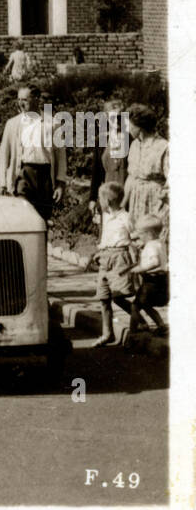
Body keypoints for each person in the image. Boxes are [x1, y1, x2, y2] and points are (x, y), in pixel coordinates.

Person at [0, 85, 66, 222]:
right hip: (23, 173)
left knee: (43, 218)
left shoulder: (53, 124)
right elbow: (4, 155)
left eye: (25, 99)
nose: (21, 103)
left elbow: (61, 157)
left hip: (45, 175)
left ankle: (42, 243)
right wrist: (2, 183)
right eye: (19, 99)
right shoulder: (12, 124)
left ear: (36, 99)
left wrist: (60, 184)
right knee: (23, 215)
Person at [90, 182, 134, 347]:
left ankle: (140, 322)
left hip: (119, 258)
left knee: (119, 296)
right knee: (104, 298)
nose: (99, 202)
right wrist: (99, 252)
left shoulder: (126, 217)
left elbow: (134, 236)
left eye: (101, 199)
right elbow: (105, 238)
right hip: (105, 258)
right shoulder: (106, 217)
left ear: (107, 201)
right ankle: (107, 333)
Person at [123, 104, 168, 240]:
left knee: (154, 240)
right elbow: (131, 176)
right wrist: (122, 205)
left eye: (130, 125)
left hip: (156, 202)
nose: (128, 129)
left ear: (139, 126)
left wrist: (163, 209)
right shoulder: (134, 145)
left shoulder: (163, 146)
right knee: (136, 238)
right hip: (136, 201)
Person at [128, 215, 169, 338]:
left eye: (141, 235)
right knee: (146, 304)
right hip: (161, 279)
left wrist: (139, 269)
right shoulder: (159, 243)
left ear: (149, 234)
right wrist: (143, 245)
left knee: (135, 306)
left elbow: (154, 262)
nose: (139, 237)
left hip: (151, 281)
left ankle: (133, 332)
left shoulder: (151, 246)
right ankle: (161, 325)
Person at [88, 98, 129, 216]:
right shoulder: (101, 140)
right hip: (107, 195)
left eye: (120, 117)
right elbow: (96, 172)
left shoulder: (131, 140)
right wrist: (92, 198)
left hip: (126, 194)